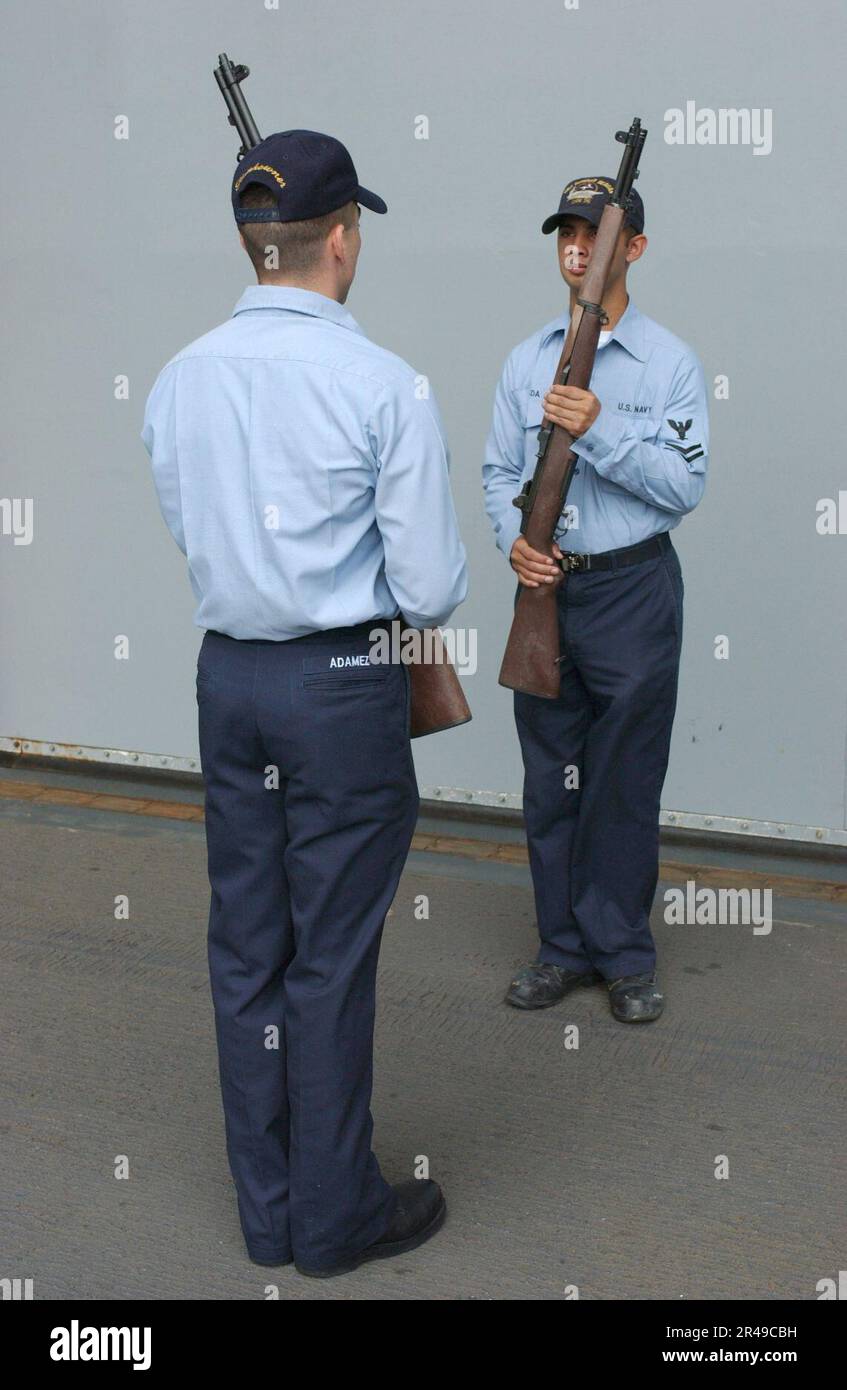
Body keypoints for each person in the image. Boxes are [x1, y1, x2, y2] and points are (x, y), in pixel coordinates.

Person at [141, 129, 467, 1276]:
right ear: (342, 238)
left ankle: (270, 1212)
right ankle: (334, 1222)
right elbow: (428, 586)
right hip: (339, 687)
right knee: (328, 955)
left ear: (252, 244)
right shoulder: (382, 383)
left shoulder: (182, 376)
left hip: (230, 679)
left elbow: (192, 528)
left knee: (248, 949)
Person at [482, 175, 709, 1023]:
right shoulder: (524, 358)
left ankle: (621, 953)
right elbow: (499, 472)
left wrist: (598, 428)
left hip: (631, 592)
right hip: (548, 592)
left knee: (622, 780)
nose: (577, 248)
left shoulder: (670, 363)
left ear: (633, 250)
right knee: (551, 780)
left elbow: (684, 484)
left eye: (596, 235)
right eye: (565, 234)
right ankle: (559, 948)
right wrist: (511, 537)